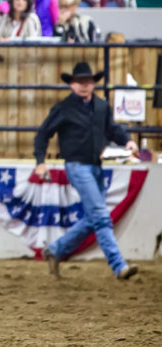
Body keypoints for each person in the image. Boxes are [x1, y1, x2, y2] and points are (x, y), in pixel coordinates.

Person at [35, 62, 140, 280]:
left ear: (93, 83)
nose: (83, 86)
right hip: (77, 166)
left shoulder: (101, 107)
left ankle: (55, 249)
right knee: (101, 216)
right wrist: (40, 161)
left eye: (87, 82)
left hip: (95, 166)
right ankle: (119, 266)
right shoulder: (64, 108)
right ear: (72, 84)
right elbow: (43, 134)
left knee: (94, 218)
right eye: (79, 82)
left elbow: (111, 129)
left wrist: (127, 141)